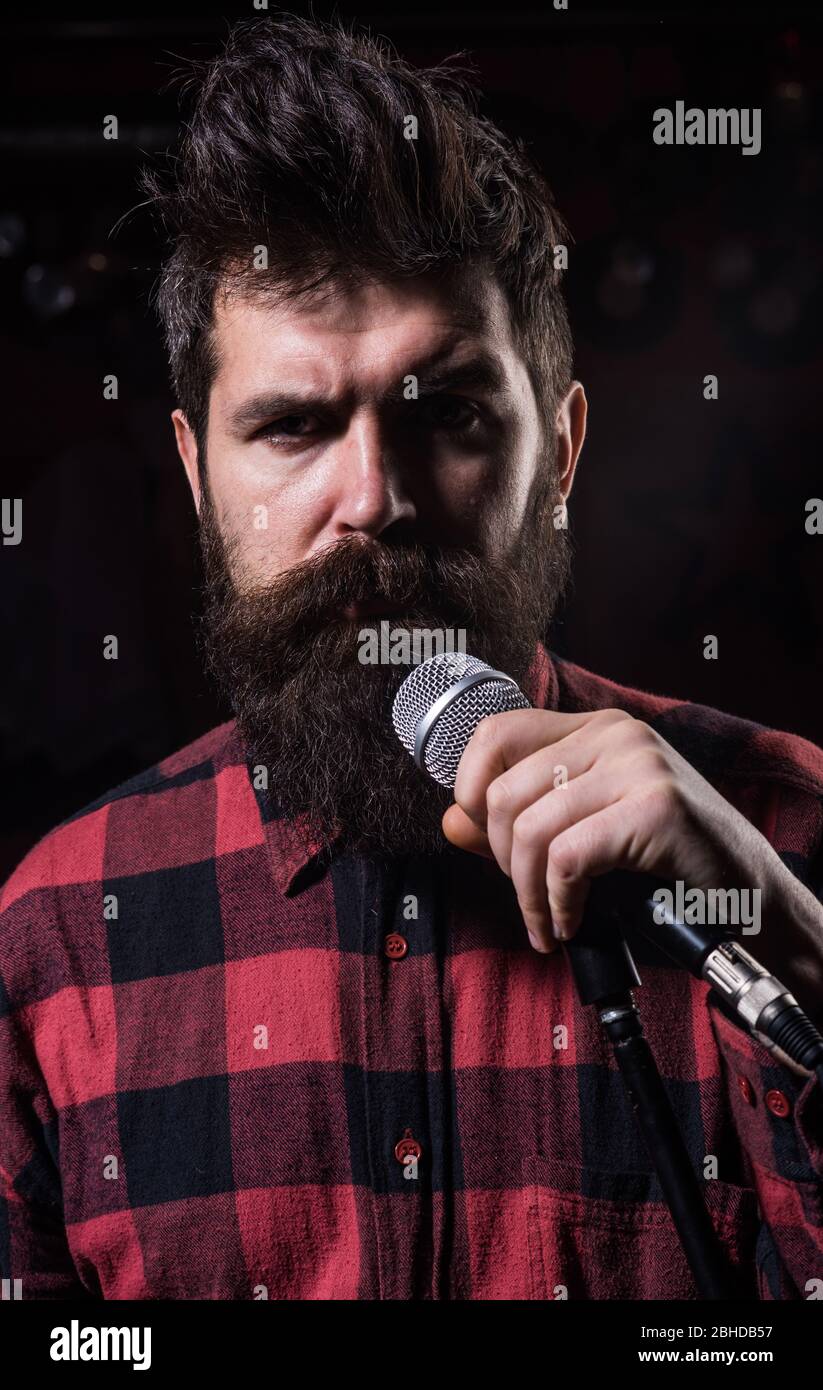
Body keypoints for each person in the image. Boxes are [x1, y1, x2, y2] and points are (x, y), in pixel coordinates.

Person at [1, 13, 822, 1302]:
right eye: (292, 426)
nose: (374, 495)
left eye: (444, 412)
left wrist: (789, 944)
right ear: (195, 479)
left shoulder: (781, 836)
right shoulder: (56, 935)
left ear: (559, 452)